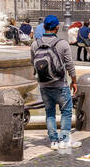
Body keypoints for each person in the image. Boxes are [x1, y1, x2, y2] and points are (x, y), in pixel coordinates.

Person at [30, 15, 78, 152]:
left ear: (44, 26)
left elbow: (32, 64)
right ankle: (64, 139)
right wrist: (74, 82)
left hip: (44, 85)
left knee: (49, 113)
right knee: (66, 111)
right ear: (57, 27)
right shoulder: (62, 44)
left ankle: (53, 141)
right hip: (60, 84)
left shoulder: (35, 44)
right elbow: (70, 65)